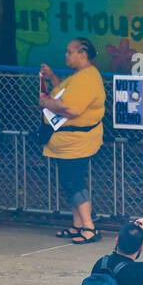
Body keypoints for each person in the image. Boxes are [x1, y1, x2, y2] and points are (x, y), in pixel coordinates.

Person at [39, 38, 104, 244]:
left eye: (69, 52)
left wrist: (46, 103)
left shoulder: (87, 78)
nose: (66, 56)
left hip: (75, 143)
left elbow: (72, 109)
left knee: (73, 182)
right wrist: (52, 78)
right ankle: (78, 225)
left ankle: (88, 227)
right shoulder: (81, 77)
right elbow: (67, 96)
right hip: (69, 141)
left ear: (82, 54)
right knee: (72, 182)